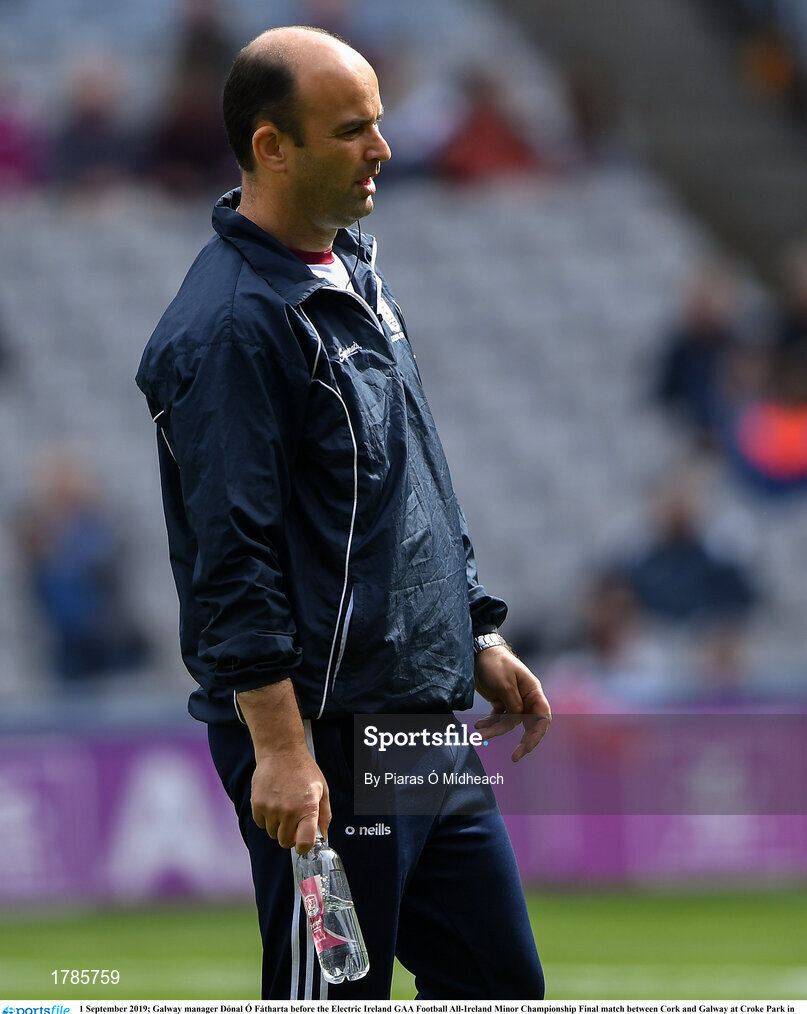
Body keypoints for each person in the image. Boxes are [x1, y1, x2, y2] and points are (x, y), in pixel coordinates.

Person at [136, 26, 550, 1002]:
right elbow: (230, 562)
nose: (385, 148)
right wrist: (280, 751)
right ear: (273, 146)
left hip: (414, 726)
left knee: (500, 986)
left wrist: (472, 626)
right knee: (333, 1000)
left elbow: (408, 471)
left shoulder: (352, 267)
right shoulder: (234, 328)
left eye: (379, 122)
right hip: (321, 735)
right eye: (352, 129)